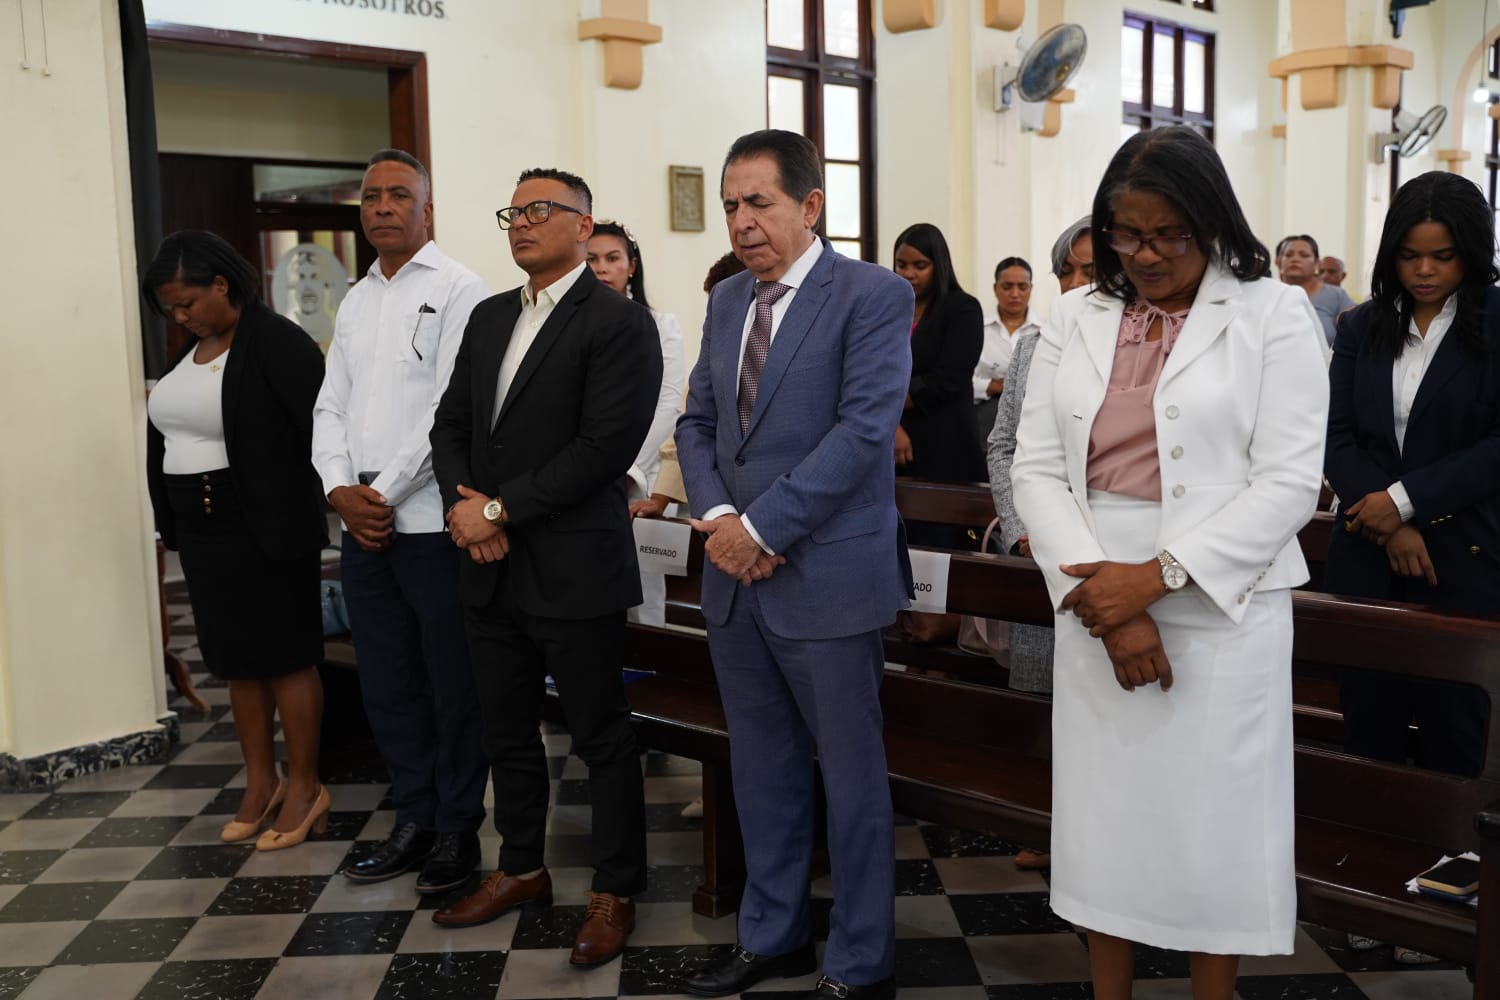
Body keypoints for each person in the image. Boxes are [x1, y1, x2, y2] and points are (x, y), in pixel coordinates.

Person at [1010, 125, 1328, 1000]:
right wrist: (1107, 593)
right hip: (1090, 595)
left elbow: (1290, 481)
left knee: (1208, 833)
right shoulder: (1074, 315)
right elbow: (1036, 468)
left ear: (1212, 223)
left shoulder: (1273, 312)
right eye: (1125, 233)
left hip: (1224, 606)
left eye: (1167, 236)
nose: (1143, 255)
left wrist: (1154, 579)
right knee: (1107, 827)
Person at [676, 129, 913, 1000]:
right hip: (736, 578)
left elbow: (861, 432)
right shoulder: (728, 301)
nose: (741, 221)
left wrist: (763, 529)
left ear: (811, 206)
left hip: (826, 579)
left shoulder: (872, 296)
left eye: (759, 203)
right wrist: (722, 517)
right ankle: (770, 934)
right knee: (763, 770)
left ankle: (859, 961)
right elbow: (697, 423)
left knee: (850, 784)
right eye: (732, 204)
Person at [427, 167, 662, 969]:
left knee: (601, 737)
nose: (520, 223)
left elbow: (603, 448)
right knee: (506, 730)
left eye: (538, 210)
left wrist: (496, 510)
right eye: (513, 212)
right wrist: (469, 511)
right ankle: (521, 867)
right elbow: (452, 421)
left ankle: (615, 888)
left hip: (571, 565)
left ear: (581, 223)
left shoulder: (617, 322)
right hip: (488, 566)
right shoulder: (492, 316)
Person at [312, 149, 491, 894]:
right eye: (372, 197)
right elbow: (331, 406)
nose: (382, 207)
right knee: (387, 684)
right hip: (364, 529)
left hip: (427, 526)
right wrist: (336, 488)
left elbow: (446, 414)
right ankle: (412, 819)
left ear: (428, 210)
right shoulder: (356, 300)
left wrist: (377, 493)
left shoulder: (461, 291)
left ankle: (456, 831)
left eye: (398, 196)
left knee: (451, 686)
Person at [144, 230, 331, 851]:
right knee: (234, 661)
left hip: (266, 525)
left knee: (285, 657)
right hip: (201, 529)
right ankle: (260, 782)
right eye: (170, 307)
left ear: (222, 285)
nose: (180, 316)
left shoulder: (276, 342)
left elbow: (322, 429)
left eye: (188, 302)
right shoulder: (187, 352)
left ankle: (305, 787)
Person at [1325, 170, 1500, 780]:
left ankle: (1461, 867)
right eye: (1409, 256)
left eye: (1442, 256)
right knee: (1370, 725)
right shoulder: (1362, 326)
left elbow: (1494, 446)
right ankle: (1372, 861)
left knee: (1460, 731)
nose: (1424, 270)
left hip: (1465, 554)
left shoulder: (1495, 324)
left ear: (1471, 252)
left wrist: (1402, 502)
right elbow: (1337, 438)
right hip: (1369, 557)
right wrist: (1390, 525)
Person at [984, 215, 1092, 871]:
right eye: (1069, 272)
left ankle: (1098, 839)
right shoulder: (1033, 345)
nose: (1080, 283)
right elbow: (1003, 446)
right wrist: (1021, 525)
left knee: (1103, 706)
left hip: (1103, 556)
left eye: (1092, 270)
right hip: (1038, 549)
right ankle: (1048, 824)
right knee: (1044, 701)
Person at [586, 220, 686, 626]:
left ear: (631, 265)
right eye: (590, 259)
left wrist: (623, 470)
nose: (601, 268)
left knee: (643, 583)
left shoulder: (663, 326)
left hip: (640, 475)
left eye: (612, 258)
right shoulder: (568, 327)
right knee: (583, 580)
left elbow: (667, 403)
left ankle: (647, 671)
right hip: (580, 476)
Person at [892, 222, 985, 548]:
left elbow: (950, 377)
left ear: (939, 265)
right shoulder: (887, 308)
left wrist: (886, 402)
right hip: (892, 446)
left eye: (920, 265)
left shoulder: (962, 308)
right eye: (901, 265)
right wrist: (890, 424)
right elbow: (867, 370)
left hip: (945, 446)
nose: (909, 274)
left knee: (945, 547)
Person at [972, 256, 1038, 448]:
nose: (1015, 294)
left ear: (1031, 288)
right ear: (995, 288)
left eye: (1022, 287)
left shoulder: (1046, 331)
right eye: (1007, 286)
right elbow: (960, 379)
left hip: (1031, 419)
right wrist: (990, 386)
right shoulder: (978, 328)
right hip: (984, 417)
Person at [1277, 234, 1355, 347]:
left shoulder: (1336, 295)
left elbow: (1353, 330)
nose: (1295, 259)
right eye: (1288, 255)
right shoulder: (1269, 295)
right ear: (1279, 262)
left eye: (1304, 255)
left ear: (1317, 263)